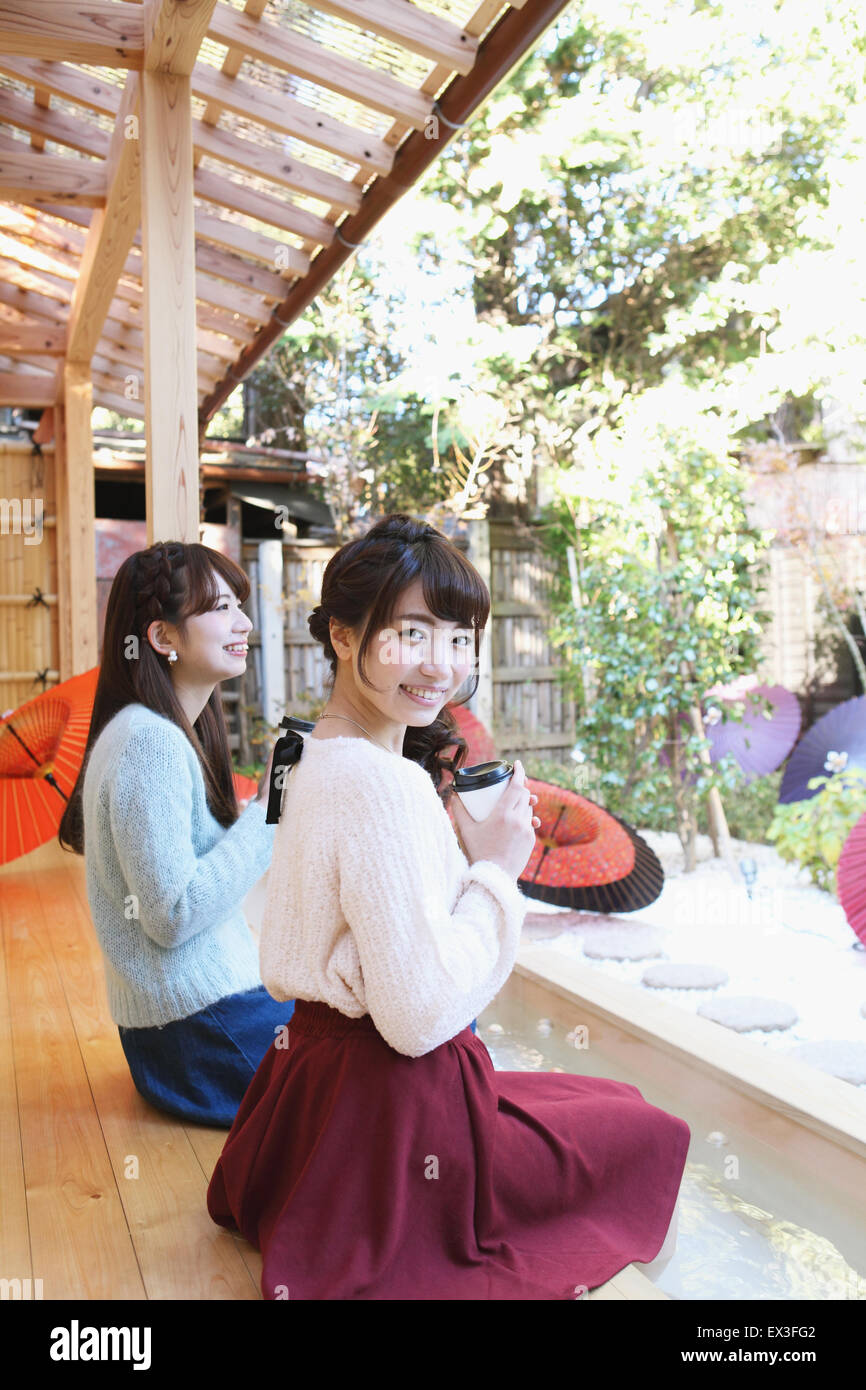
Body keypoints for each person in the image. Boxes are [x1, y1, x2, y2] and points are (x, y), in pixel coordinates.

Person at [207, 514, 689, 1298]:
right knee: (647, 1131)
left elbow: (317, 912)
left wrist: (452, 856)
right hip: (392, 1116)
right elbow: (420, 1012)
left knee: (603, 1099)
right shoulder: (383, 783)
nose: (442, 665)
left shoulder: (299, 751)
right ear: (340, 635)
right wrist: (496, 871)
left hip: (306, 1093)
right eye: (412, 634)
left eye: (461, 638)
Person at [59, 541, 293, 1127]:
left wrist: (260, 812)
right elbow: (172, 914)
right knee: (413, 1049)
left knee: (394, 1026)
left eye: (239, 604)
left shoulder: (163, 733)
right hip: (202, 1035)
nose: (243, 623)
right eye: (219, 609)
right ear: (163, 638)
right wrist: (269, 814)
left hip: (194, 1026)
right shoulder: (150, 742)